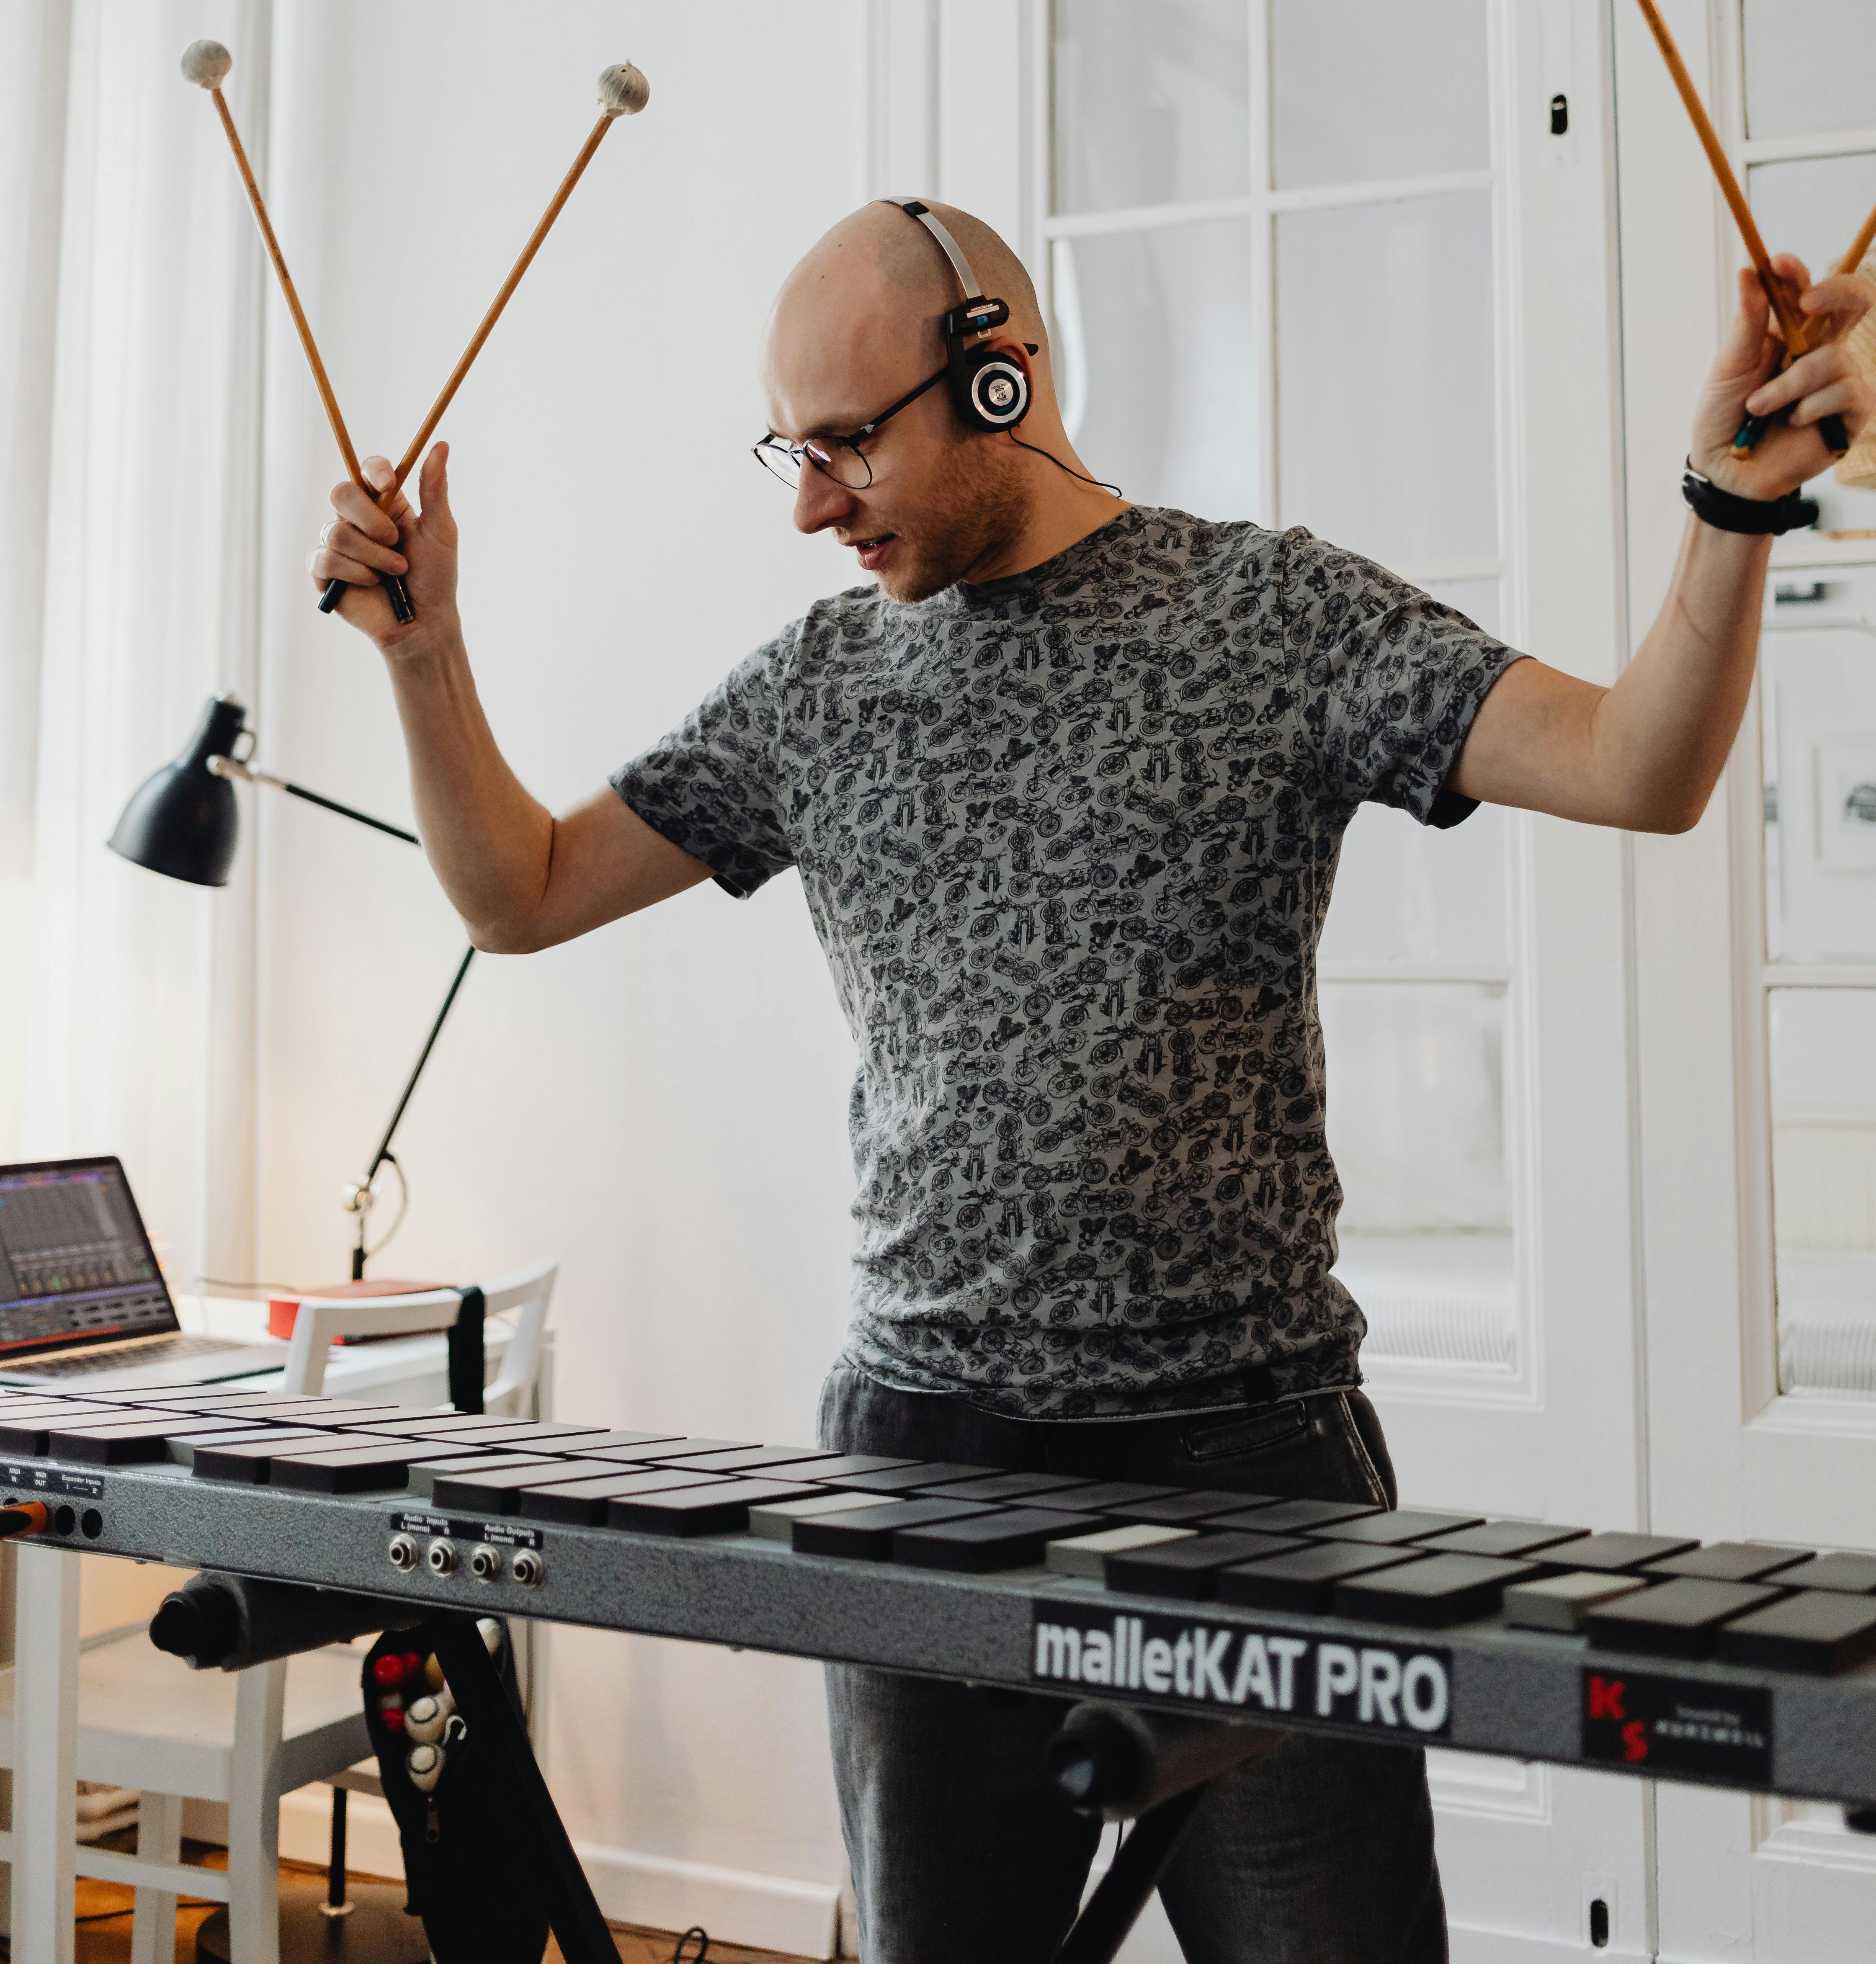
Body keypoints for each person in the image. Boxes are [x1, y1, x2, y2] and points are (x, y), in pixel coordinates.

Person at [314, 198, 1872, 1964]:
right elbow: (518, 896)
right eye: (793, 452)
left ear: (1000, 377)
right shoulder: (816, 685)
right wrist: (424, 652)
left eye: (847, 445)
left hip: (1249, 1463)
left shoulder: (1270, 614)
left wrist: (1734, 506)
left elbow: (1637, 763)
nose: (813, 507)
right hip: (920, 1458)